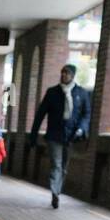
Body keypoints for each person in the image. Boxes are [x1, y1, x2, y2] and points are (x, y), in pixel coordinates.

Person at [29, 63, 91, 209]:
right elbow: (40, 114)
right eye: (62, 73)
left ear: (73, 76)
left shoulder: (81, 93)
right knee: (56, 164)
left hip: (71, 136)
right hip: (54, 134)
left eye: (67, 73)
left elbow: (86, 114)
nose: (63, 75)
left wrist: (82, 129)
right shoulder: (52, 92)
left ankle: (57, 189)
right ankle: (55, 193)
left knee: (64, 166)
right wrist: (33, 134)